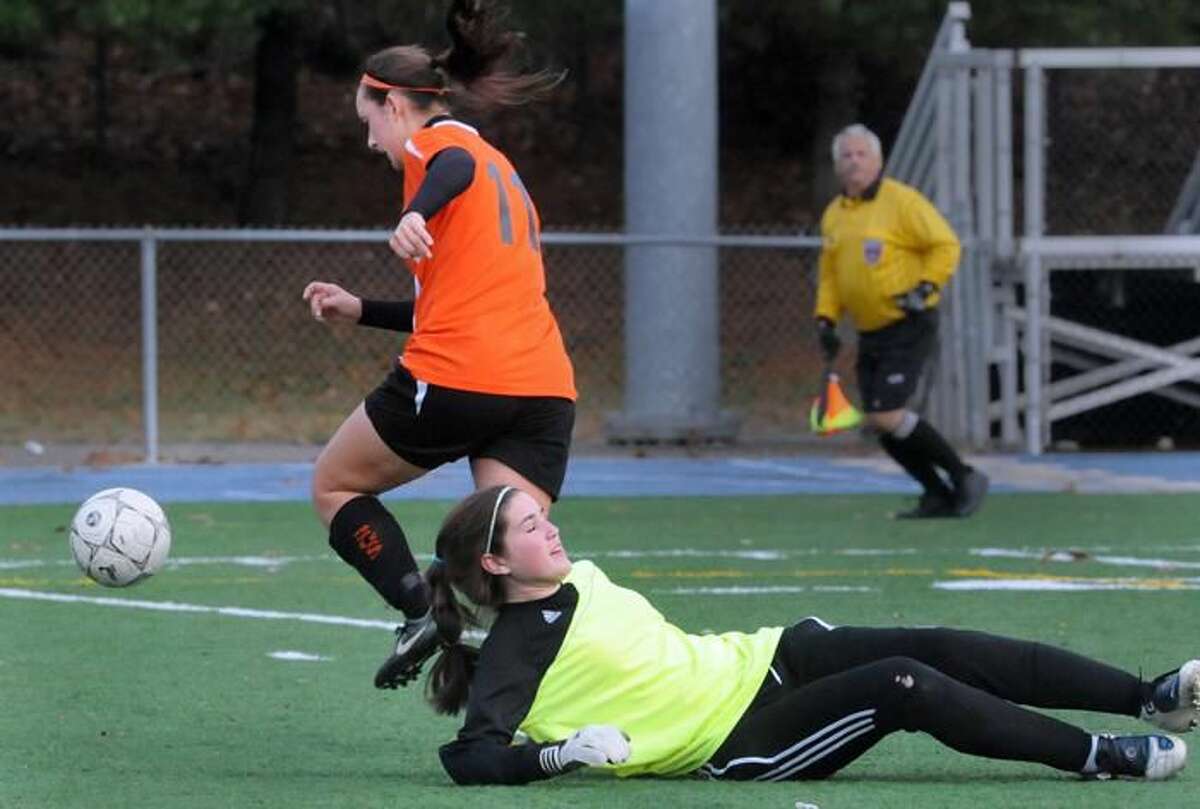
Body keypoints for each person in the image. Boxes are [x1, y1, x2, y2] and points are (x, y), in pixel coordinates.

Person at [419, 485, 1197, 785]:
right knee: (903, 681)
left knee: (937, 641)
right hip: (738, 737)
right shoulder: (516, 650)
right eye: (528, 527)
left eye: (541, 514)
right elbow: (470, 756)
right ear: (494, 560)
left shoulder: (575, 572)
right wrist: (559, 754)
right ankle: (1098, 757)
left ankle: (1148, 696)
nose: (549, 528)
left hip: (765, 655)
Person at [301, 0, 575, 690]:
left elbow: (448, 166)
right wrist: (360, 308)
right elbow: (444, 301)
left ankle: (418, 605)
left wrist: (413, 211)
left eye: (369, 122)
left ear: (395, 105)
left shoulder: (437, 146)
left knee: (335, 485)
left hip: (460, 376)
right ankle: (522, 706)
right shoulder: (500, 164)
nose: (372, 143)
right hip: (543, 388)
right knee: (514, 562)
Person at [814, 123, 988, 519]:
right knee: (878, 423)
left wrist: (925, 287)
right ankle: (936, 493)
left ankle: (964, 476)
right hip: (870, 330)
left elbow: (945, 244)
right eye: (847, 156)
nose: (854, 162)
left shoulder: (902, 202)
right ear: (837, 165)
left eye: (862, 155)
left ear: (878, 161)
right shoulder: (835, 215)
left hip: (907, 323)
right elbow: (831, 274)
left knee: (886, 414)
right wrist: (825, 318)